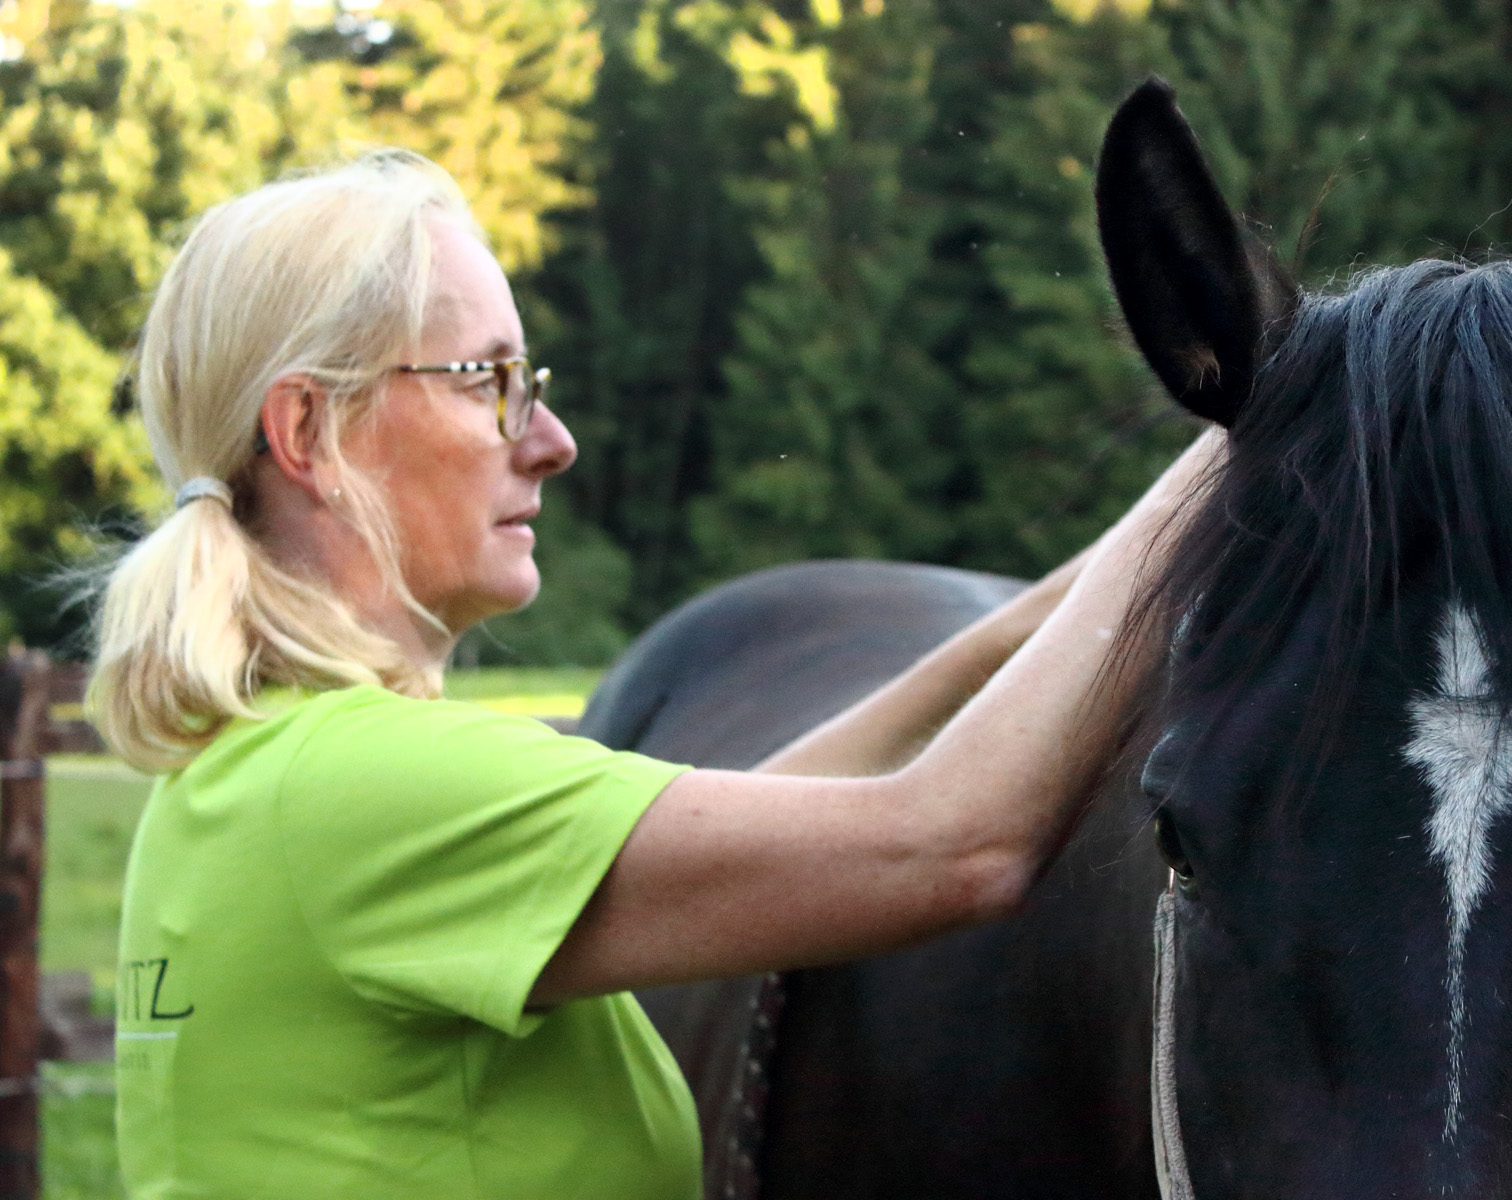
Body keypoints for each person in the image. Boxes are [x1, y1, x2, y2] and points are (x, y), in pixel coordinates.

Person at [88, 150, 1223, 1199]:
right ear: (311, 434)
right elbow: (951, 845)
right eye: (484, 378)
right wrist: (1237, 443)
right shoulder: (368, 792)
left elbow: (752, 840)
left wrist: (1008, 631)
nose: (549, 436)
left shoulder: (252, 782)